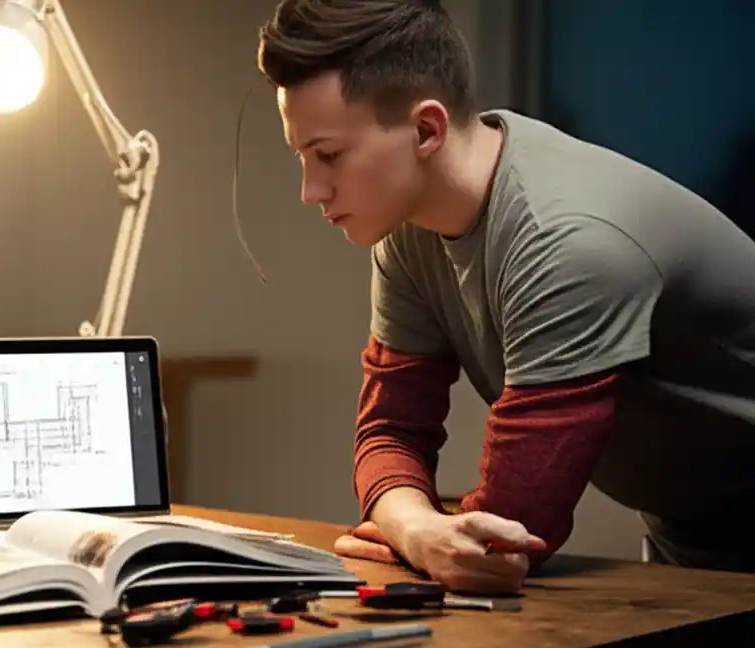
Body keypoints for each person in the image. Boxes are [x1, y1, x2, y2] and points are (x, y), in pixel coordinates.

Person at [256, 0, 755, 593]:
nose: (311, 191)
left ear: (426, 129)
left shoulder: (566, 241)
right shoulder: (408, 235)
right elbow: (390, 430)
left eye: (329, 155)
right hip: (693, 535)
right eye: (302, 156)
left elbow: (510, 535)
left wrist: (409, 527)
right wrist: (415, 526)